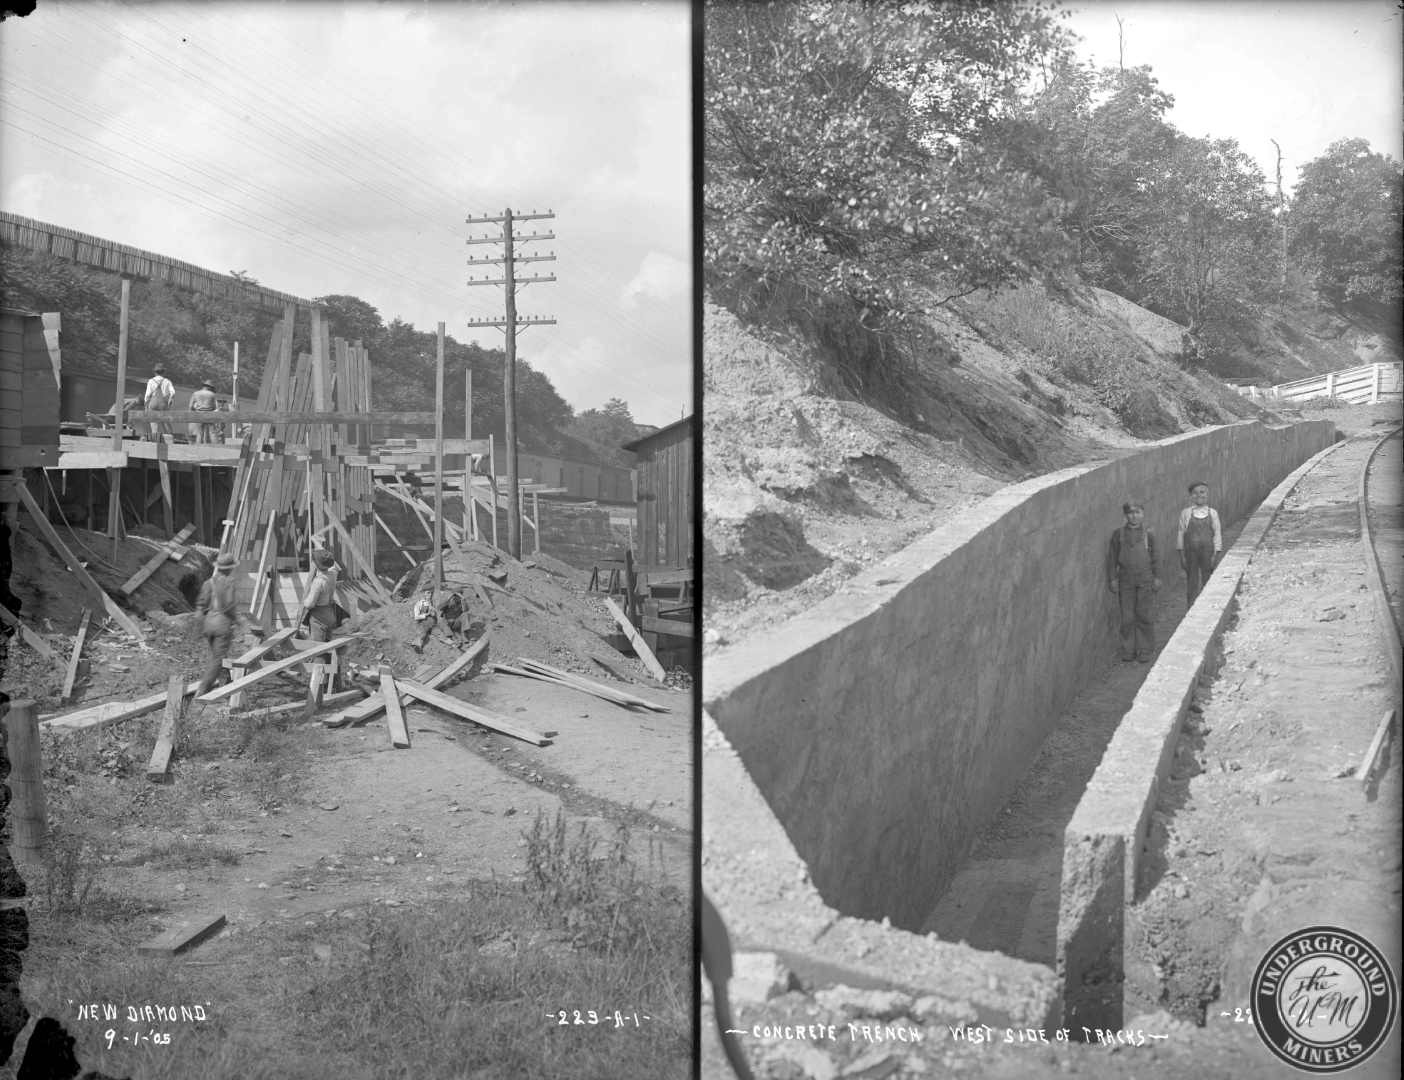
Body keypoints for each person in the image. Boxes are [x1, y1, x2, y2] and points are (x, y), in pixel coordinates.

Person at [1107, 499, 1161, 662]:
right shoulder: (1118, 534)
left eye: (1137, 512)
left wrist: (1158, 577)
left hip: (1145, 577)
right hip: (1125, 578)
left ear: (1143, 514)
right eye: (1130, 513)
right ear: (1125, 515)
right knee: (1128, 615)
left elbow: (1156, 557)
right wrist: (1112, 579)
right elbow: (1112, 559)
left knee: (1144, 614)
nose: (1134, 516)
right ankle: (1129, 649)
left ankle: (1144, 649)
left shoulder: (1149, 534)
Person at [194, 552, 239, 698]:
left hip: (208, 623)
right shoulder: (229, 581)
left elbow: (200, 605)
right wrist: (234, 620)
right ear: (229, 568)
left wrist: (198, 628)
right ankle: (203, 689)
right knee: (218, 659)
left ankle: (225, 685)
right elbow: (229, 604)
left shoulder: (208, 583)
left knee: (218, 654)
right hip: (222, 623)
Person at [1177, 482, 1222, 607]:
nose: (1198, 495)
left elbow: (1217, 535)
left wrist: (1215, 554)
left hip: (1208, 552)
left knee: (1208, 581)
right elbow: (1180, 534)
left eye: (1202, 492)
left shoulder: (1213, 513)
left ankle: (1207, 607)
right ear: (1191, 496)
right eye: (1194, 493)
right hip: (1190, 553)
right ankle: (1191, 608)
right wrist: (1181, 555)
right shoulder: (1186, 513)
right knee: (1192, 582)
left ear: (1207, 494)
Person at [297, 551, 340, 641]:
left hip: (318, 617)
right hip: (329, 614)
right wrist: (328, 557)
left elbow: (310, 604)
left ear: (316, 565)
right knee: (328, 644)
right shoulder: (332, 575)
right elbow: (335, 568)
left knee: (317, 647)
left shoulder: (318, 582)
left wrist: (305, 600)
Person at [144, 364, 175, 442]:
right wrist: (171, 399)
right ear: (163, 372)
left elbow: (147, 395)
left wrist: (146, 405)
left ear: (155, 373)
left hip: (153, 403)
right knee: (165, 421)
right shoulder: (167, 381)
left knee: (154, 421)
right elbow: (173, 392)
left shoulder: (151, 381)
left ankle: (155, 439)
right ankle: (170, 438)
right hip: (163, 403)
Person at [188, 380, 218, 444]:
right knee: (212, 433)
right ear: (209, 387)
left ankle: (199, 448)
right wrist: (210, 408)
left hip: (199, 414)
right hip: (209, 414)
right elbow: (215, 407)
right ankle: (217, 447)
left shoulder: (195, 393)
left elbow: (190, 406)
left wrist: (195, 410)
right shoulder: (212, 394)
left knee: (199, 434)